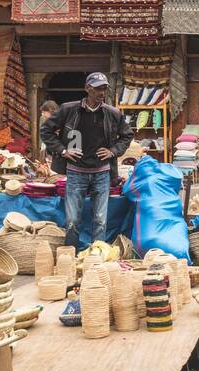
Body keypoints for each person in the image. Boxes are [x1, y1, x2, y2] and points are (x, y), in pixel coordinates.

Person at [40, 72, 133, 249]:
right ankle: (71, 256)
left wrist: (113, 151)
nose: (101, 92)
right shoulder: (69, 110)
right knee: (73, 220)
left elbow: (127, 135)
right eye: (98, 88)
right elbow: (46, 131)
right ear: (87, 88)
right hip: (76, 172)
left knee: (100, 220)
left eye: (104, 88)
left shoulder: (112, 113)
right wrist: (63, 150)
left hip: (102, 173)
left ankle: (96, 256)